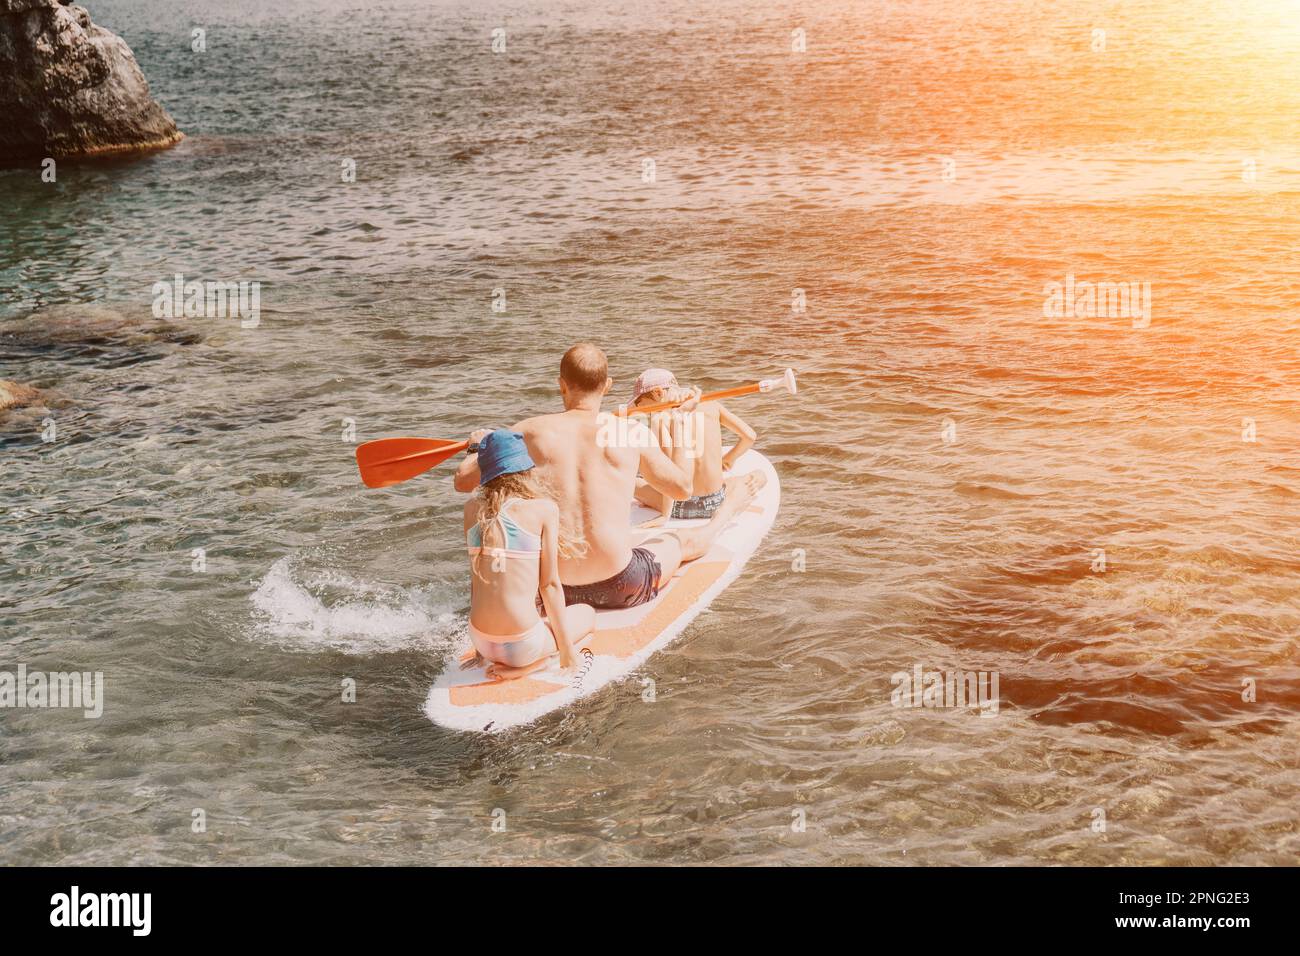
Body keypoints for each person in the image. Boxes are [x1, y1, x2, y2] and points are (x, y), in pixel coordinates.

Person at [455, 344, 765, 609]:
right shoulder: (629, 431)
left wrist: (477, 445)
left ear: (561, 385)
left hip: (555, 589)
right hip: (622, 584)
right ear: (607, 386)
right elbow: (683, 488)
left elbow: (463, 481)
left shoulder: (527, 432)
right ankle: (726, 512)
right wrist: (680, 421)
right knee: (679, 541)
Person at [461, 429, 594, 679]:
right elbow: (550, 585)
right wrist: (566, 651)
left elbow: (477, 579)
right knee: (587, 613)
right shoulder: (543, 509)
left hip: (480, 639)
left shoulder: (471, 510)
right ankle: (531, 666)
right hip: (521, 646)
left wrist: (481, 651)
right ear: (524, 470)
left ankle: (494, 656)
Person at [627, 368, 758, 527]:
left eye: (641, 404)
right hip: (716, 502)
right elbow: (749, 436)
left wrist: (664, 516)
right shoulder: (710, 404)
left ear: (657, 393)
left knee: (632, 482)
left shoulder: (660, 418)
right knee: (750, 477)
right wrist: (729, 459)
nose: (642, 410)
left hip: (682, 507)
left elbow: (671, 476)